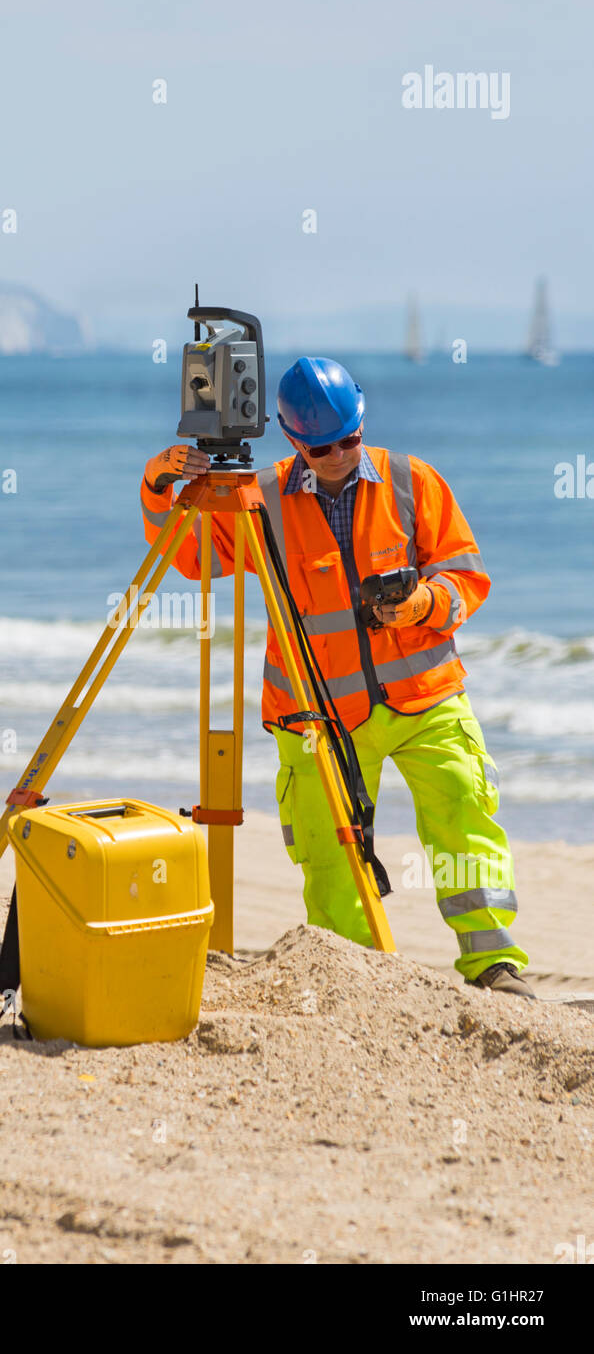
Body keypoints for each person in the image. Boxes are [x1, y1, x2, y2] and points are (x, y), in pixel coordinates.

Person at [140, 355, 533, 997]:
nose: (341, 454)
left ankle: (494, 963)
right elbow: (186, 555)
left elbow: (468, 577)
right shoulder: (259, 497)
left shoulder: (413, 482)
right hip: (314, 716)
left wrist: (422, 605)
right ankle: (356, 980)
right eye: (322, 447)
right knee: (329, 858)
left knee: (466, 820)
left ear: (363, 417)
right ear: (293, 440)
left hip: (425, 700)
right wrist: (157, 488)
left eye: (350, 438)